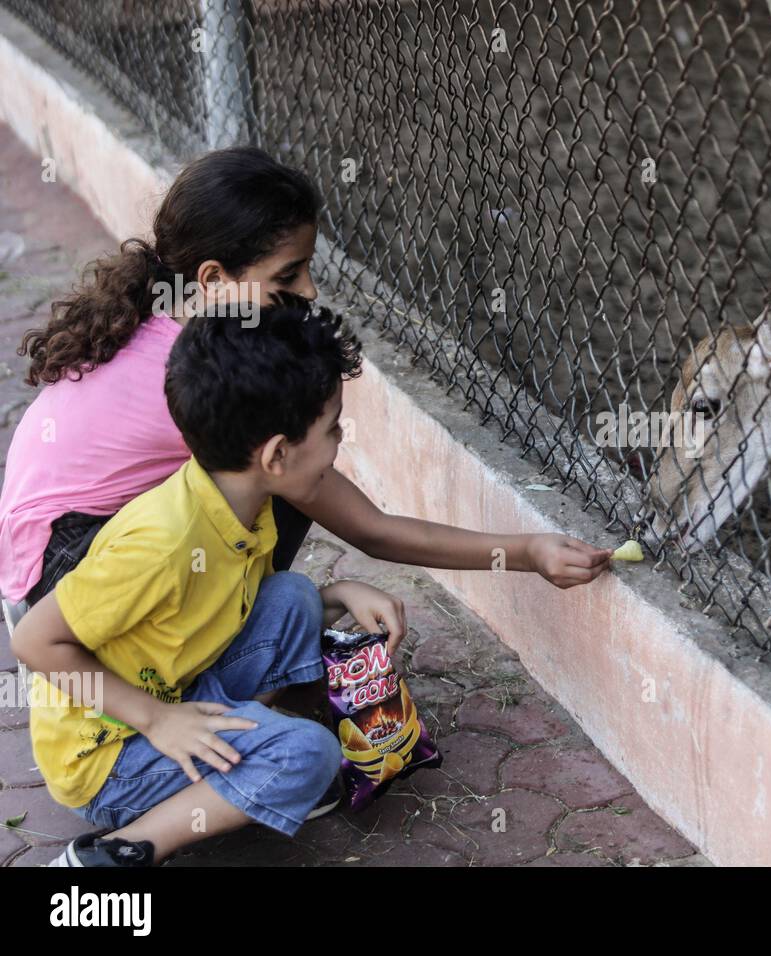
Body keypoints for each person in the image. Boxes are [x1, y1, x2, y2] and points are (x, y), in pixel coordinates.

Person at [0, 146, 611, 630]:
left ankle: (255, 638)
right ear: (214, 279)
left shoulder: (182, 324)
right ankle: (227, 668)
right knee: (285, 477)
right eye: (289, 274)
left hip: (57, 573)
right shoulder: (204, 375)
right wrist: (526, 552)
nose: (311, 291)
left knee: (276, 477)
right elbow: (368, 528)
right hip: (60, 595)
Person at [11, 294, 404, 867]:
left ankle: (233, 754)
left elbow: (233, 613)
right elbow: (33, 642)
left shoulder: (240, 497)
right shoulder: (163, 543)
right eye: (332, 428)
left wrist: (341, 593)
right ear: (276, 454)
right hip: (108, 757)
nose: (339, 441)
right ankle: (120, 852)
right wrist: (157, 719)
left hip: (177, 690)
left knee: (293, 598)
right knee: (309, 756)